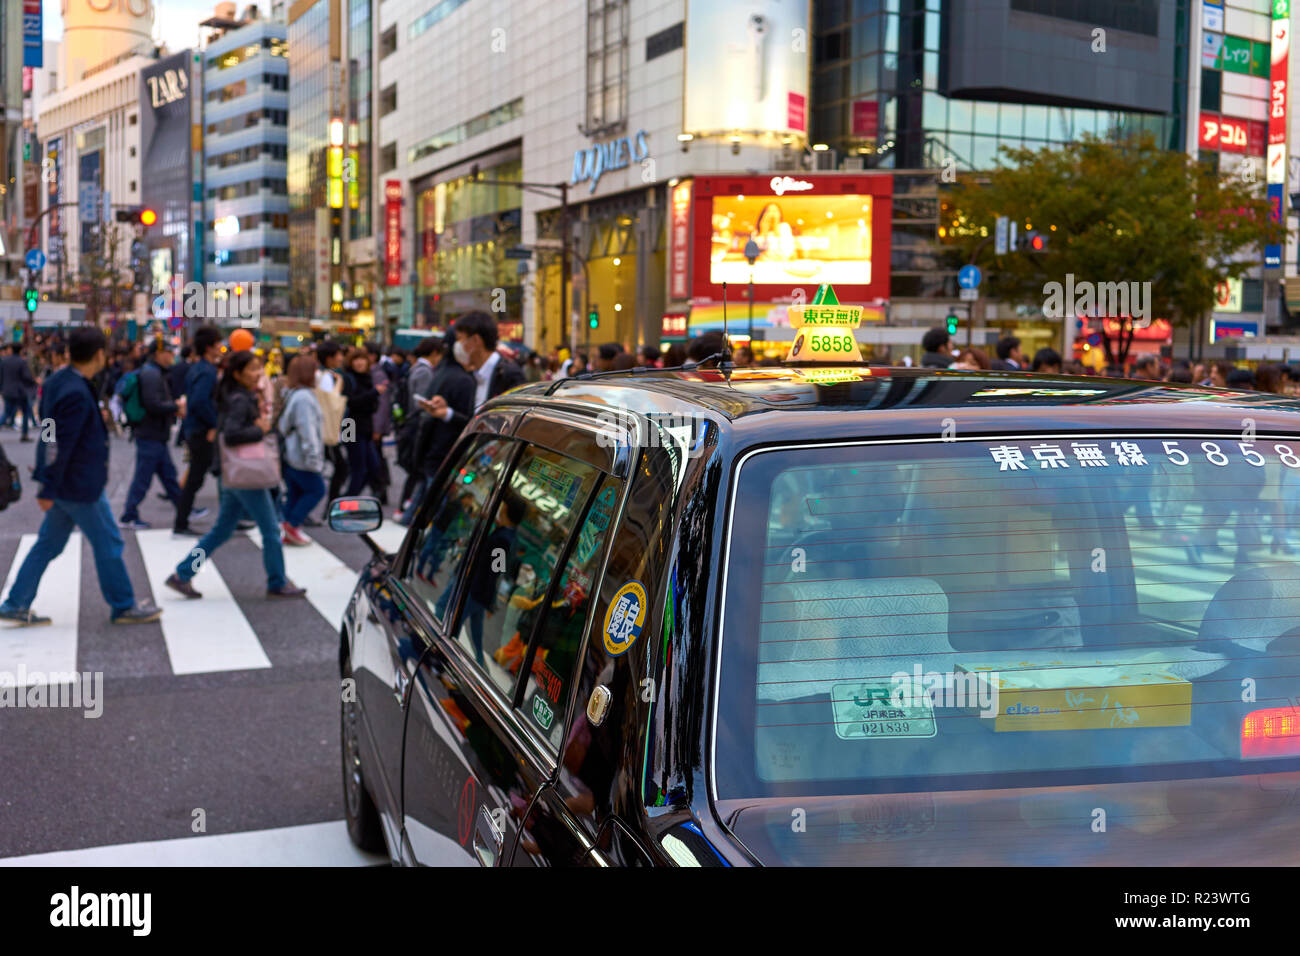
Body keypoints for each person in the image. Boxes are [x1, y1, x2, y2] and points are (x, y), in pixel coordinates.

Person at [0, 328, 161, 626]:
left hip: (66, 484)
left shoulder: (58, 382)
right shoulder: (75, 391)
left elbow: (48, 433)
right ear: (99, 354)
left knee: (49, 544)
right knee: (109, 542)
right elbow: (58, 443)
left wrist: (47, 480)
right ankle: (123, 605)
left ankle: (15, 603)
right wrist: (48, 485)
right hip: (79, 485)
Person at [164, 350, 306, 600]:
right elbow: (231, 435)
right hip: (246, 474)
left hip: (234, 472)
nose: (257, 373)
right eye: (252, 369)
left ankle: (183, 574)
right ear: (238, 373)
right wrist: (258, 429)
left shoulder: (235, 394)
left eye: (259, 368)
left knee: (221, 531)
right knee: (271, 529)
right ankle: (277, 580)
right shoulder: (241, 399)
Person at [399, 334, 476, 525]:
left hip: (430, 449)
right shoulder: (463, 379)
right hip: (445, 451)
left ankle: (408, 526)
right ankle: (416, 539)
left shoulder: (441, 373)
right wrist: (446, 413)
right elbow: (468, 421)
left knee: (425, 496)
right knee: (438, 511)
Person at [119, 337, 187, 530]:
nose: (172, 356)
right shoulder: (151, 375)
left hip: (154, 433)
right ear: (158, 353)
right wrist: (175, 406)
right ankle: (128, 515)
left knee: (169, 476)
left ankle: (184, 509)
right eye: (169, 352)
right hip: (150, 433)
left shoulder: (155, 372)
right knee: (143, 478)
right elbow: (153, 404)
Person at [421, 312, 524, 430]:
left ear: (475, 340)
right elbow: (475, 424)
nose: (457, 347)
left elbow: (514, 427)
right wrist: (447, 412)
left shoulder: (508, 375)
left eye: (460, 339)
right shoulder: (476, 376)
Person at [173, 326, 222, 537]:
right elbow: (200, 401)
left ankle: (182, 522)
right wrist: (213, 425)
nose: (221, 347)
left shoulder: (197, 368)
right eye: (218, 343)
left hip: (195, 429)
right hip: (202, 431)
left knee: (204, 475)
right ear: (210, 347)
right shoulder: (207, 371)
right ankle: (181, 523)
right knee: (198, 477)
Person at [278, 353, 326, 546]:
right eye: (315, 370)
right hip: (301, 456)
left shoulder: (293, 393)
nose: (318, 374)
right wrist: (314, 459)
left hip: (291, 454)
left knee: (295, 492)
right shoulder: (304, 398)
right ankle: (292, 525)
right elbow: (308, 432)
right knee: (316, 490)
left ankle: (290, 529)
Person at [341, 347, 384, 496]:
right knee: (358, 468)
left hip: (365, 427)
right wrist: (374, 393)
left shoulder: (368, 378)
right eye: (356, 359)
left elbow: (372, 405)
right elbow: (350, 402)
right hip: (349, 426)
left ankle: (347, 498)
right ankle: (346, 503)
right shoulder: (348, 379)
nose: (359, 363)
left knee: (374, 467)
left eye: (362, 359)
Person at [316, 340, 350, 503]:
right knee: (341, 467)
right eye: (338, 354)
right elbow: (332, 406)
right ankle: (332, 504)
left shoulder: (324, 375)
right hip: (331, 429)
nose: (341, 357)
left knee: (339, 467)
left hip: (334, 428)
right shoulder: (327, 378)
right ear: (329, 357)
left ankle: (332, 502)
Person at [365, 340, 392, 504]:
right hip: (360, 425)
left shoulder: (378, 374)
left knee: (375, 458)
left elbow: (382, 404)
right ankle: (379, 488)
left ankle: (381, 489)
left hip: (371, 426)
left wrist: (377, 428)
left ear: (372, 356)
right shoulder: (369, 372)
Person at [1, 343, 38, 441]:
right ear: (20, 350)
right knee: (25, 412)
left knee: (6, 413)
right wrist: (34, 382)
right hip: (20, 391)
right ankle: (24, 435)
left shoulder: (4, 361)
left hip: (7, 391)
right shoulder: (22, 362)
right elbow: (26, 377)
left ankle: (24, 433)